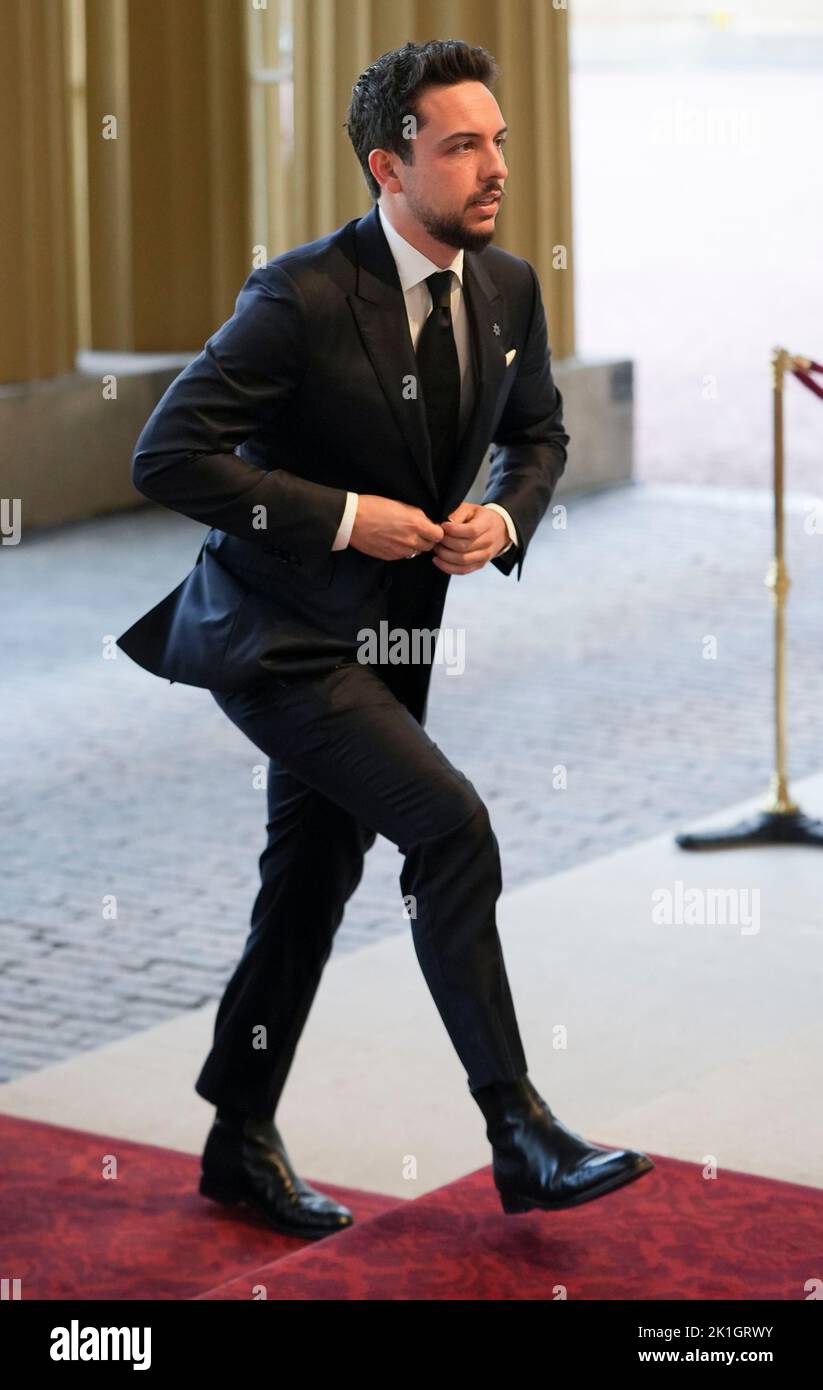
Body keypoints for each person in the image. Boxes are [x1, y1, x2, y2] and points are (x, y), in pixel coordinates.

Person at [116, 38, 654, 1240]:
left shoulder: (505, 289)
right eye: (461, 145)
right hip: (277, 638)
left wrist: (503, 514)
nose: (492, 165)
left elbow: (540, 434)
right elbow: (165, 454)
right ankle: (519, 1130)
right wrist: (351, 518)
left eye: (496, 140)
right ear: (387, 163)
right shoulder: (299, 297)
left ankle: (234, 1136)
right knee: (450, 828)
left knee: (309, 883)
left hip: (392, 645)